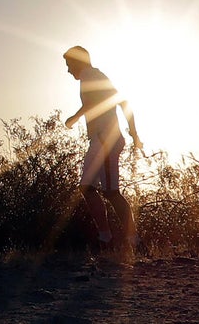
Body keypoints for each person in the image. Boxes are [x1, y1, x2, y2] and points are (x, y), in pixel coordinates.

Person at [62, 45, 142, 252]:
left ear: (79, 62)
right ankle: (107, 239)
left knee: (110, 191)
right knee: (90, 188)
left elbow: (96, 103)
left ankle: (130, 241)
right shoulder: (97, 76)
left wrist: (75, 117)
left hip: (106, 139)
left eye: (69, 64)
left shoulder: (90, 75)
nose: (69, 70)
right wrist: (134, 133)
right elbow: (122, 102)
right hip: (103, 140)